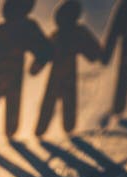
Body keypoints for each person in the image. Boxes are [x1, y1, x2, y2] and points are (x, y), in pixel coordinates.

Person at [0, 0, 51, 138]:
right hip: (2, 70)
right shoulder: (8, 29)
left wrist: (39, 62)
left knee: (10, 101)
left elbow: (44, 49)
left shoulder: (27, 28)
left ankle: (7, 131)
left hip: (12, 70)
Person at [33, 0, 102, 136]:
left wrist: (36, 66)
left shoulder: (75, 34)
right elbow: (45, 53)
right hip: (61, 74)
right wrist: (36, 66)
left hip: (66, 74)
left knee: (64, 101)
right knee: (51, 102)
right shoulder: (60, 35)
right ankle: (42, 129)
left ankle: (63, 127)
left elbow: (93, 52)